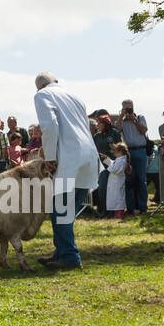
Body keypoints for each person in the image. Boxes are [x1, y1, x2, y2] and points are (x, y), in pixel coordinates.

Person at [33, 71, 99, 270]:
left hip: (69, 158)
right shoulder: (75, 96)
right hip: (88, 156)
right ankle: (61, 252)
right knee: (64, 210)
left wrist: (50, 157)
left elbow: (50, 125)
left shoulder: (42, 95)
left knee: (60, 210)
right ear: (56, 82)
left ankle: (69, 256)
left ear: (39, 88)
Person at [119, 99, 150, 215]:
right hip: (129, 153)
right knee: (129, 180)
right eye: (127, 108)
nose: (129, 110)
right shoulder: (122, 120)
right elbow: (117, 129)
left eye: (130, 107)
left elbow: (144, 130)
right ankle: (131, 208)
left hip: (140, 150)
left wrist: (134, 120)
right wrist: (122, 115)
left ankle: (143, 207)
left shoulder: (140, 117)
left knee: (141, 180)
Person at [105, 142, 130, 218]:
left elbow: (115, 169)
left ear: (120, 152)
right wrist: (107, 159)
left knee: (118, 197)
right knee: (115, 197)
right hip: (115, 182)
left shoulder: (121, 160)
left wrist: (109, 163)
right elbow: (114, 164)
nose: (114, 153)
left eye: (115, 151)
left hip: (117, 182)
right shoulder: (119, 159)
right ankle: (117, 213)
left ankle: (119, 213)